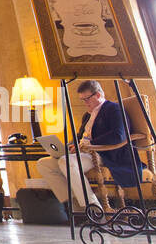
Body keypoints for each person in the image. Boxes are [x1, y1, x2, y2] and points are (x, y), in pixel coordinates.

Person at [36, 79, 140, 215]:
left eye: (87, 99)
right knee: (44, 164)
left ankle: (93, 208)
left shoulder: (114, 109)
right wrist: (71, 145)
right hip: (84, 152)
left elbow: (119, 135)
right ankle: (75, 206)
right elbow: (80, 136)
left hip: (105, 154)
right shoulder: (87, 115)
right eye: (82, 100)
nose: (85, 103)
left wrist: (89, 144)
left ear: (97, 95)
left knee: (66, 162)